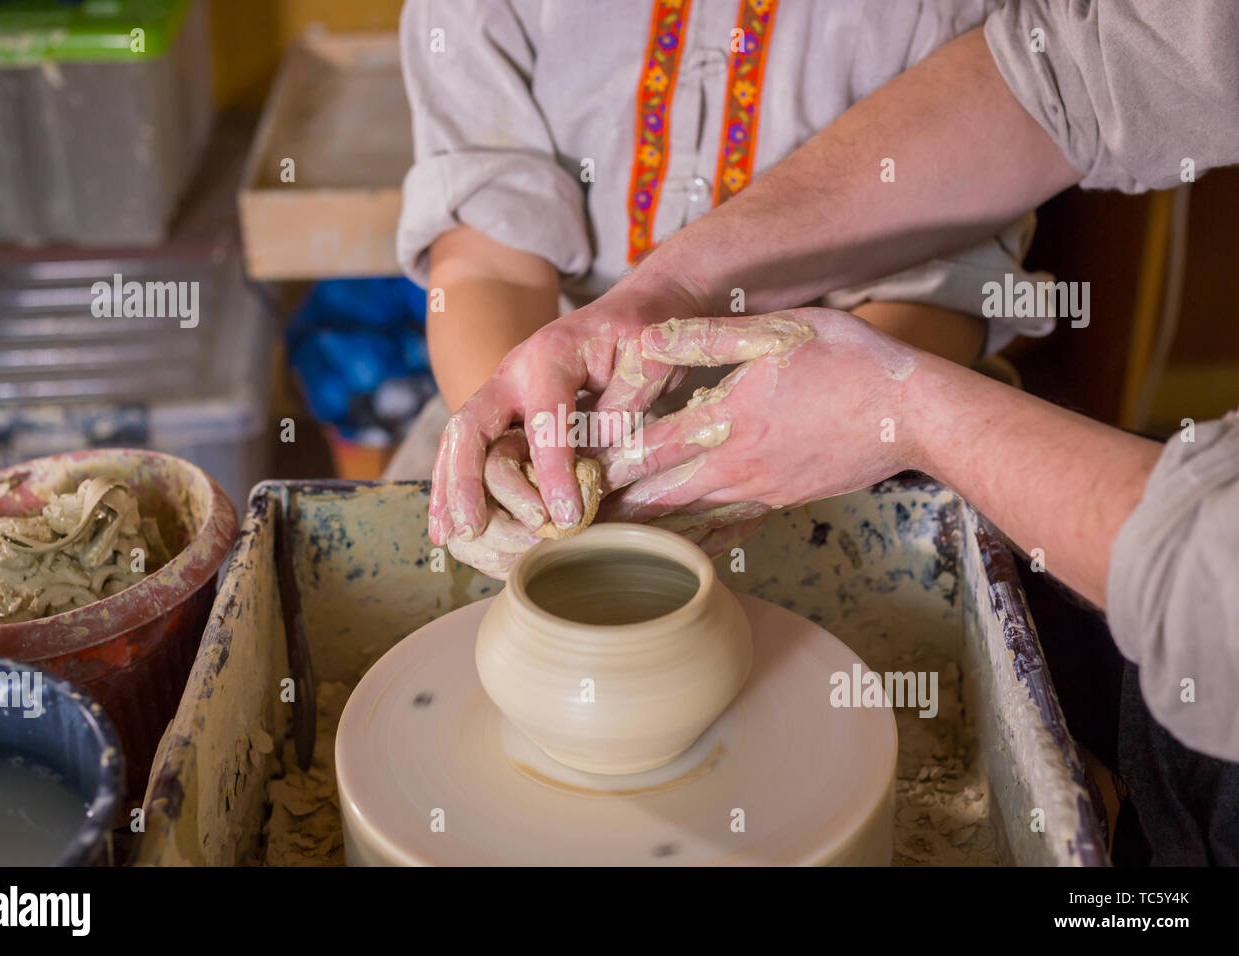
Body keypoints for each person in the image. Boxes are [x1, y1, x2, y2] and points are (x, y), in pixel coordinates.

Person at [430, 0, 1239, 862]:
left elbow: (1205, 585)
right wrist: (661, 295)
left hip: (882, 430)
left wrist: (898, 407)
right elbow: (1065, 75)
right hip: (713, 415)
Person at [391, 0, 1058, 562]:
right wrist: (524, 444)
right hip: (535, 373)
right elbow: (488, 258)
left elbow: (940, 285)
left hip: (861, 389)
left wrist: (835, 422)